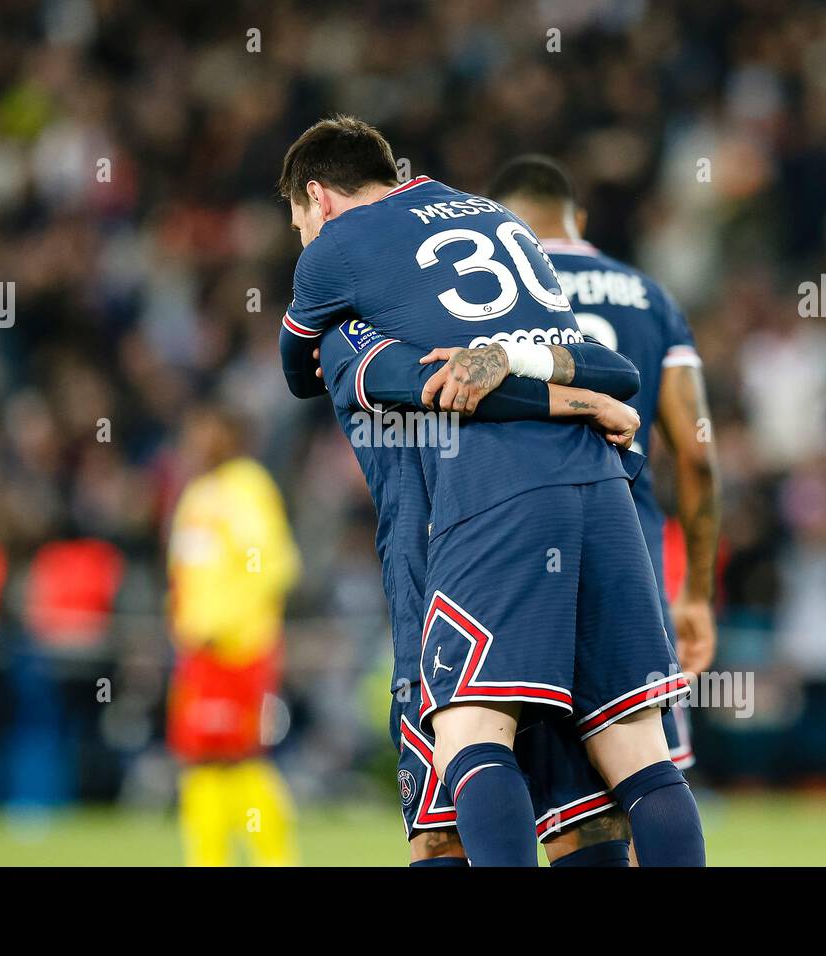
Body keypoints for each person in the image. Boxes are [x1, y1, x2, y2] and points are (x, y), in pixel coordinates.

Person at [278, 116, 704, 866]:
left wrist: (503, 369)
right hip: (599, 486)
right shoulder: (489, 218)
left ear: (317, 199)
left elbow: (406, 380)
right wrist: (566, 394)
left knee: (466, 756)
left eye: (298, 224)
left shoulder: (341, 313)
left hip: (469, 535)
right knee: (628, 760)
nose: (304, 245)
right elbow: (610, 374)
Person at [306, 317, 646, 866]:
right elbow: (450, 387)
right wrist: (584, 401)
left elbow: (612, 369)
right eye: (303, 221)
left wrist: (555, 384)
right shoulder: (350, 331)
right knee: (442, 831)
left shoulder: (474, 313)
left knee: (582, 819)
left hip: (503, 581)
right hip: (431, 596)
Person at [488, 155, 723, 794]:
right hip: (629, 560)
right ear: (579, 219)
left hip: (517, 564)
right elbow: (697, 454)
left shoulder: (490, 297)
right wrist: (695, 591)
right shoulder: (650, 296)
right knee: (646, 776)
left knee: (517, 782)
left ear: (500, 225)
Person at [165, 405, 300, 866]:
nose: (198, 441)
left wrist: (220, 623)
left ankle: (275, 859)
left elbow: (276, 566)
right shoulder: (197, 494)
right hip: (198, 652)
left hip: (240, 648)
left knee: (242, 758)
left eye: (208, 430)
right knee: (198, 760)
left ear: (230, 435)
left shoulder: (247, 487)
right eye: (194, 431)